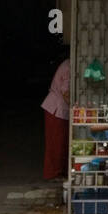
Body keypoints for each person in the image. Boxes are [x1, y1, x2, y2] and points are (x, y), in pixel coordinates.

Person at [41, 46, 70, 181]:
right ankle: (53, 173)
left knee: (62, 142)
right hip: (56, 109)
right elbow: (65, 92)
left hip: (58, 109)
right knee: (56, 142)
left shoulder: (67, 64)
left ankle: (60, 171)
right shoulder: (69, 66)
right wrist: (74, 105)